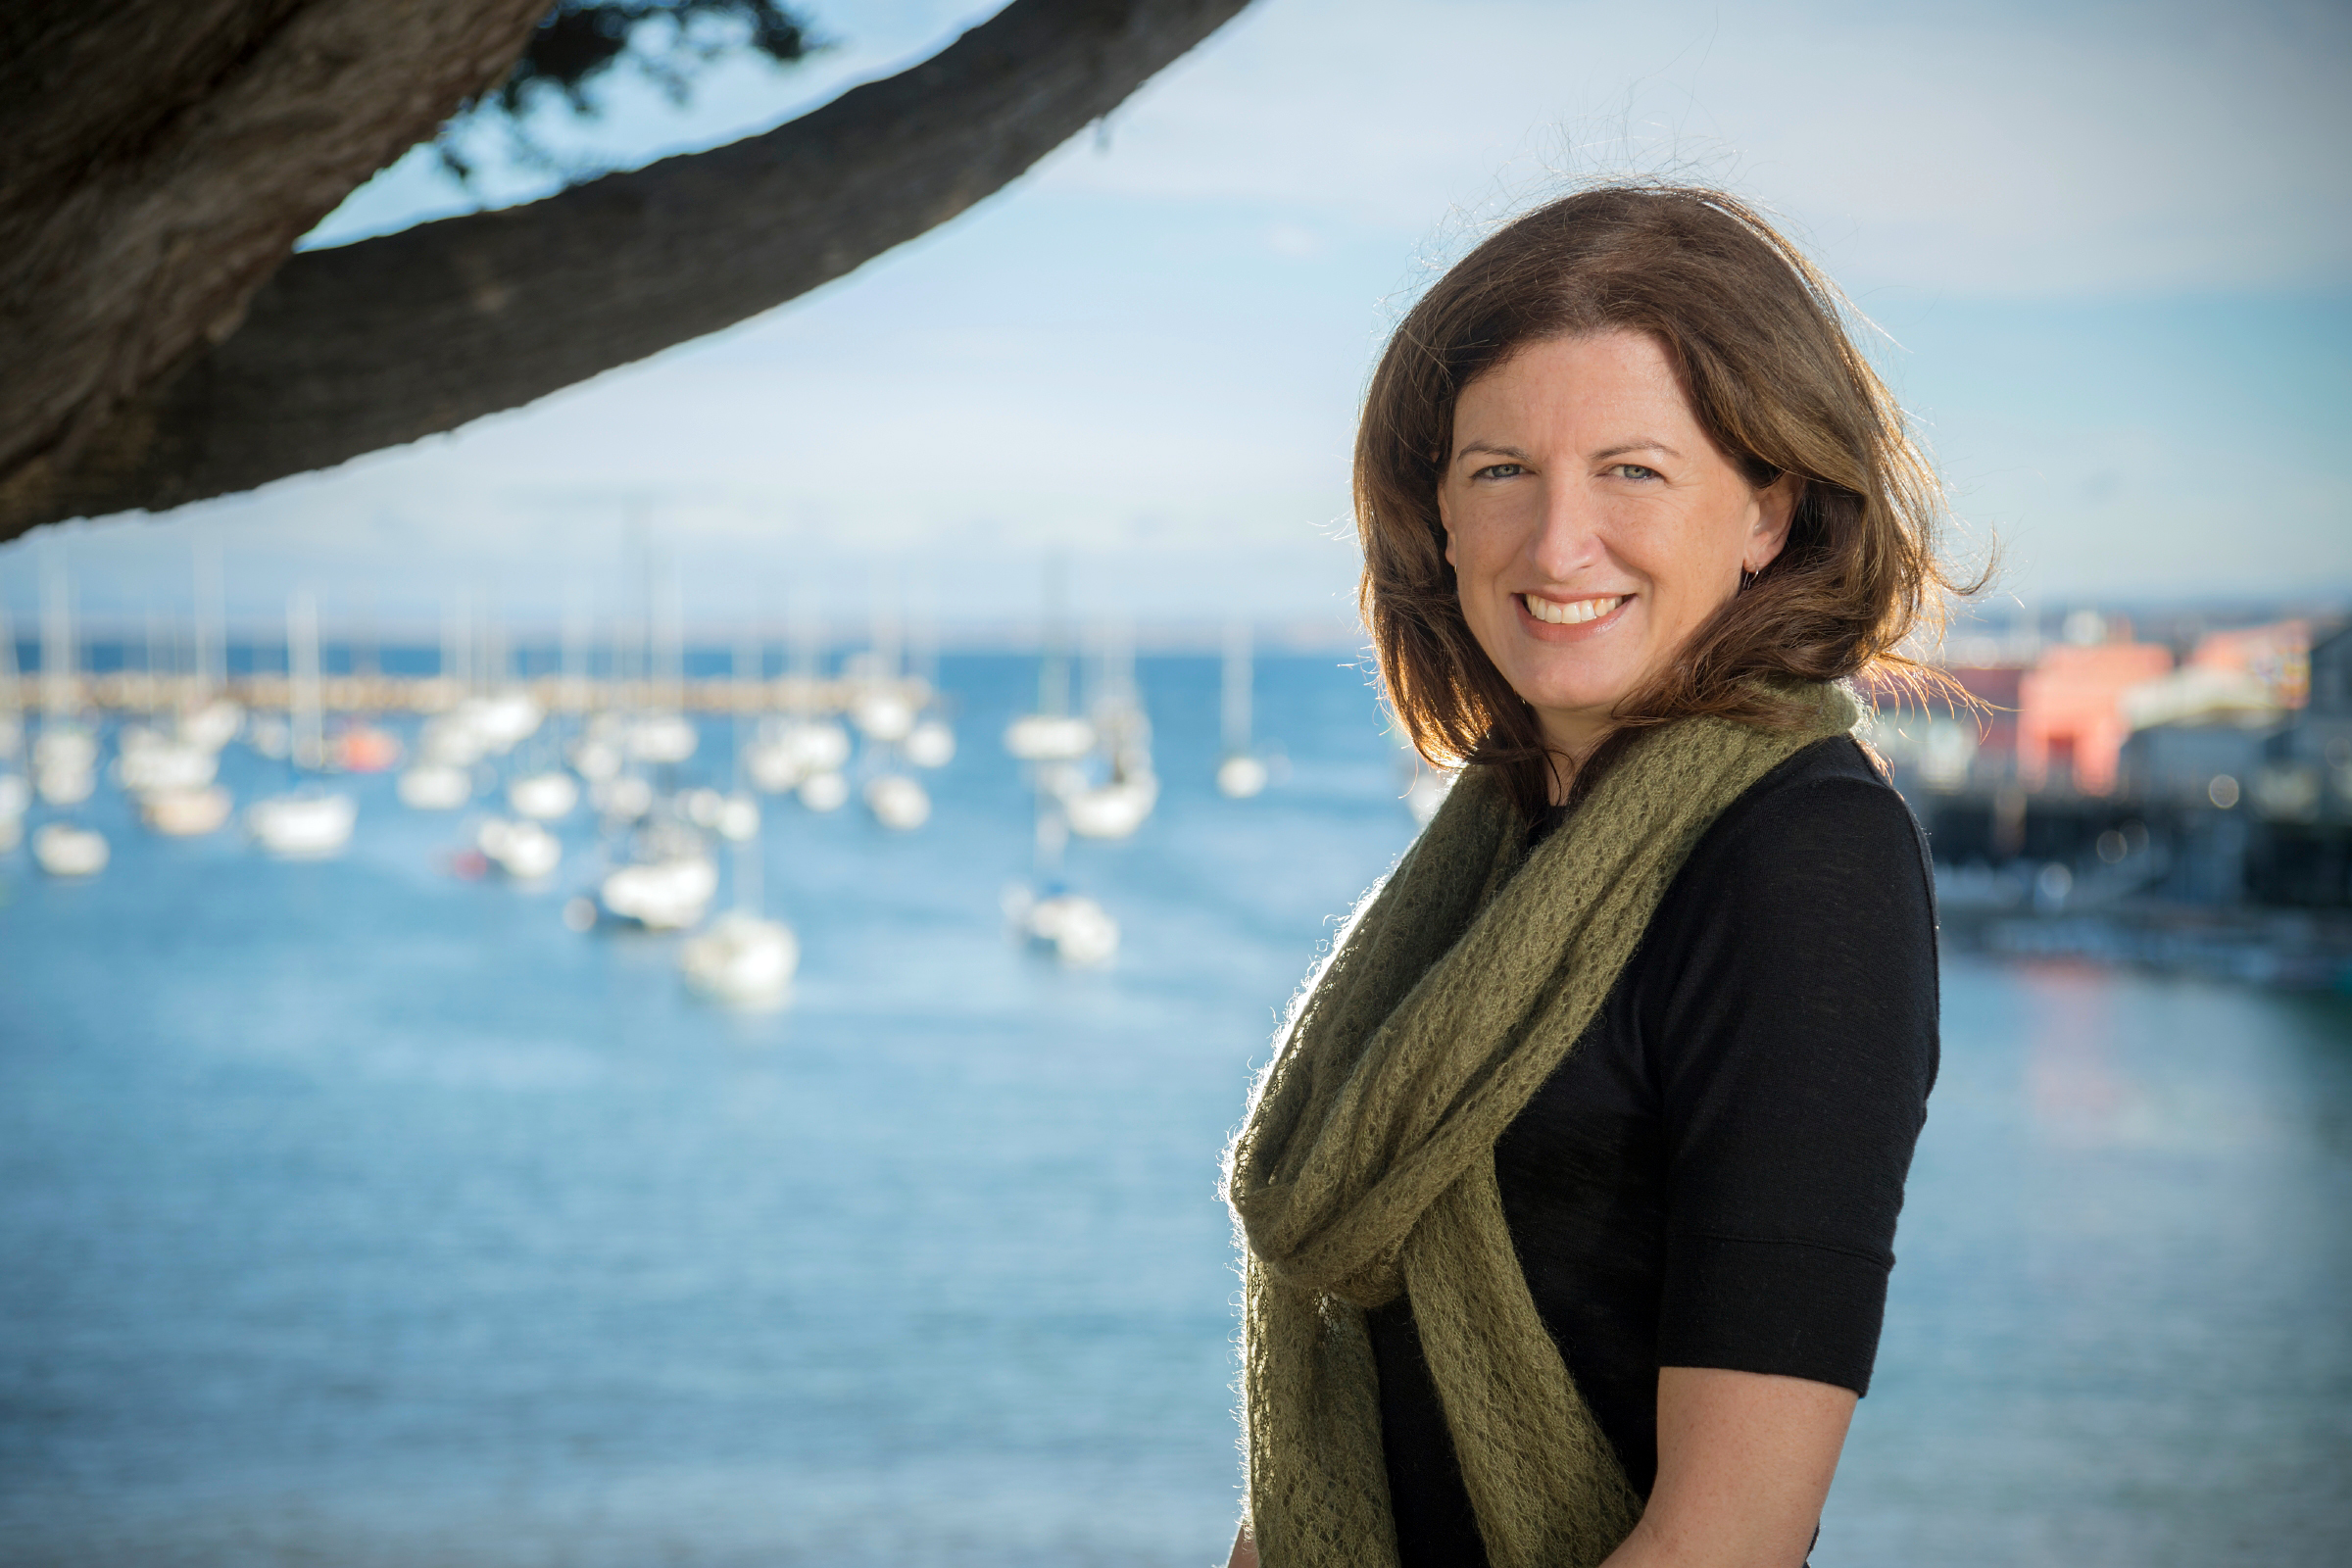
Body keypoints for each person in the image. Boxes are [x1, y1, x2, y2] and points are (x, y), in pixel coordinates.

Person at [1221, 184, 1971, 1568]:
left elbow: (1728, 1539)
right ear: (1436, 512)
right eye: (1502, 469)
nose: (1559, 546)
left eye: (1633, 470)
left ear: (1768, 509)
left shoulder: (1802, 861)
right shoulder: (1507, 841)